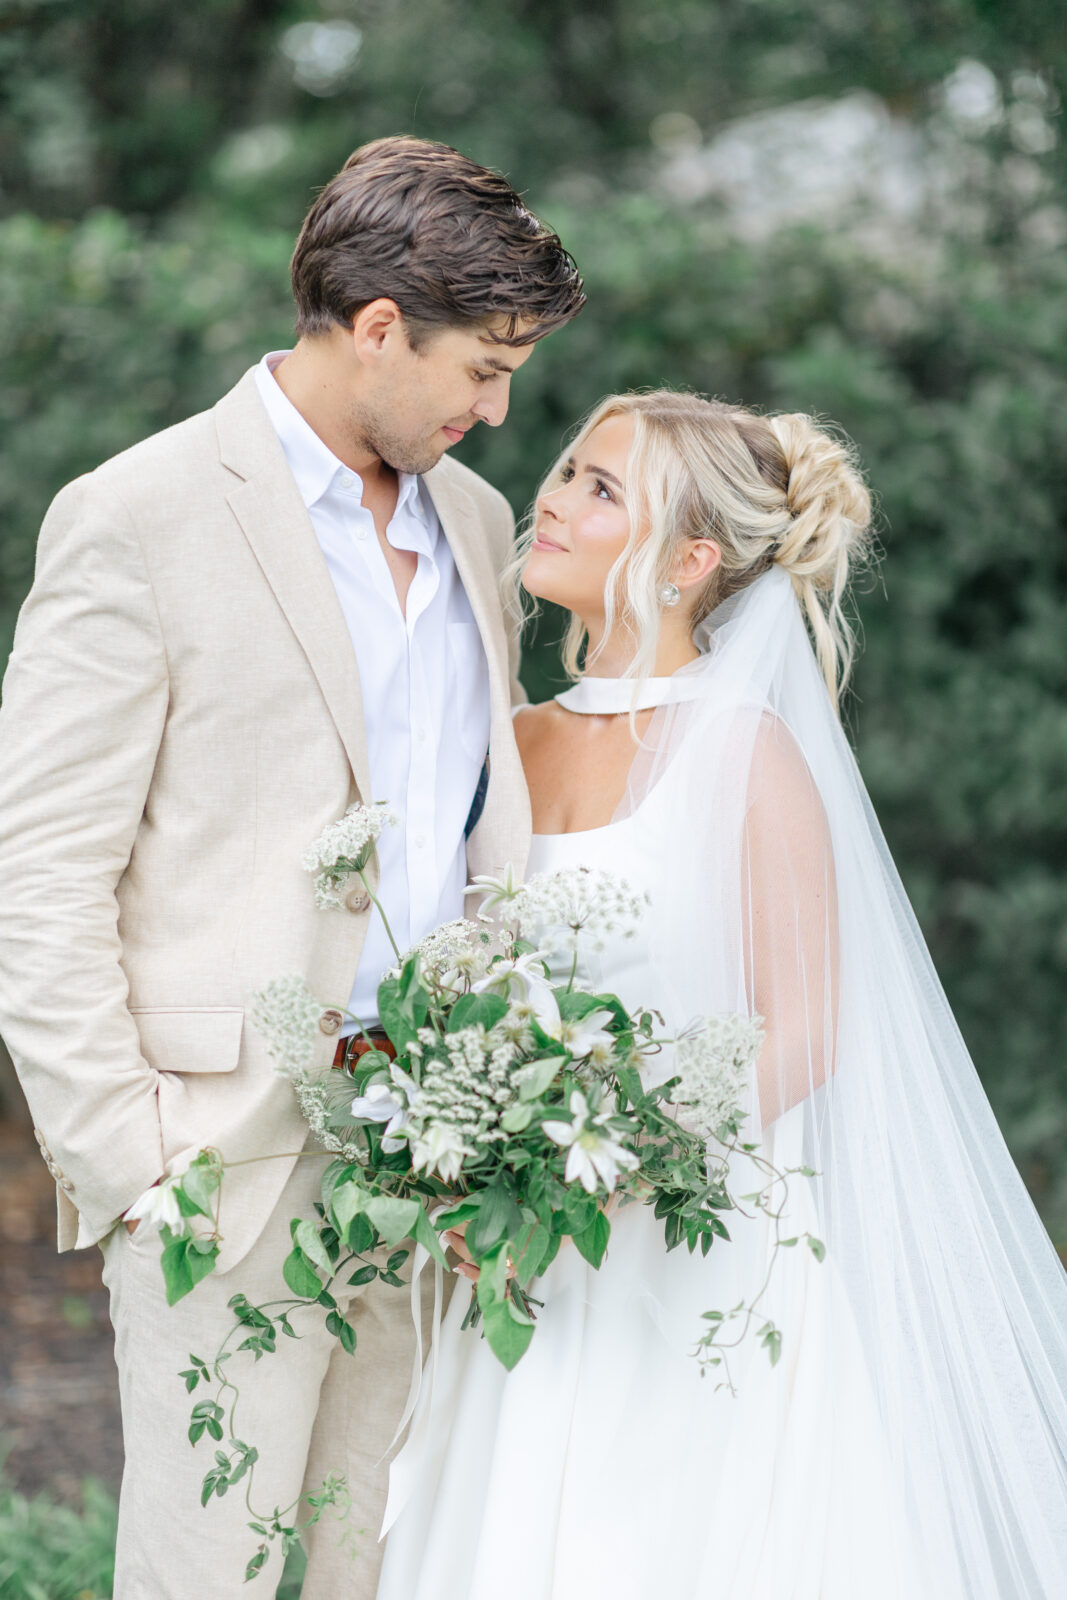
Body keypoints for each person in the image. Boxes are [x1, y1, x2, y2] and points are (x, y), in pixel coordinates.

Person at [0, 136, 584, 1598]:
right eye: (483, 367)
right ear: (377, 327)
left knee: (370, 1566)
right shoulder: (135, 517)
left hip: (433, 1153)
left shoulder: (473, 524)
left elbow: (470, 823)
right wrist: (132, 1162)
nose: (499, 412)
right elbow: (40, 871)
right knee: (206, 1573)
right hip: (223, 1160)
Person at [376, 390, 1067, 1599]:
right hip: (529, 1253)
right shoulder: (516, 738)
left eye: (601, 489)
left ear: (689, 561)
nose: (551, 499)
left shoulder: (746, 749)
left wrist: (621, 1155)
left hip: (694, 1250)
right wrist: (484, 1151)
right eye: (566, 470)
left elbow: (802, 1031)